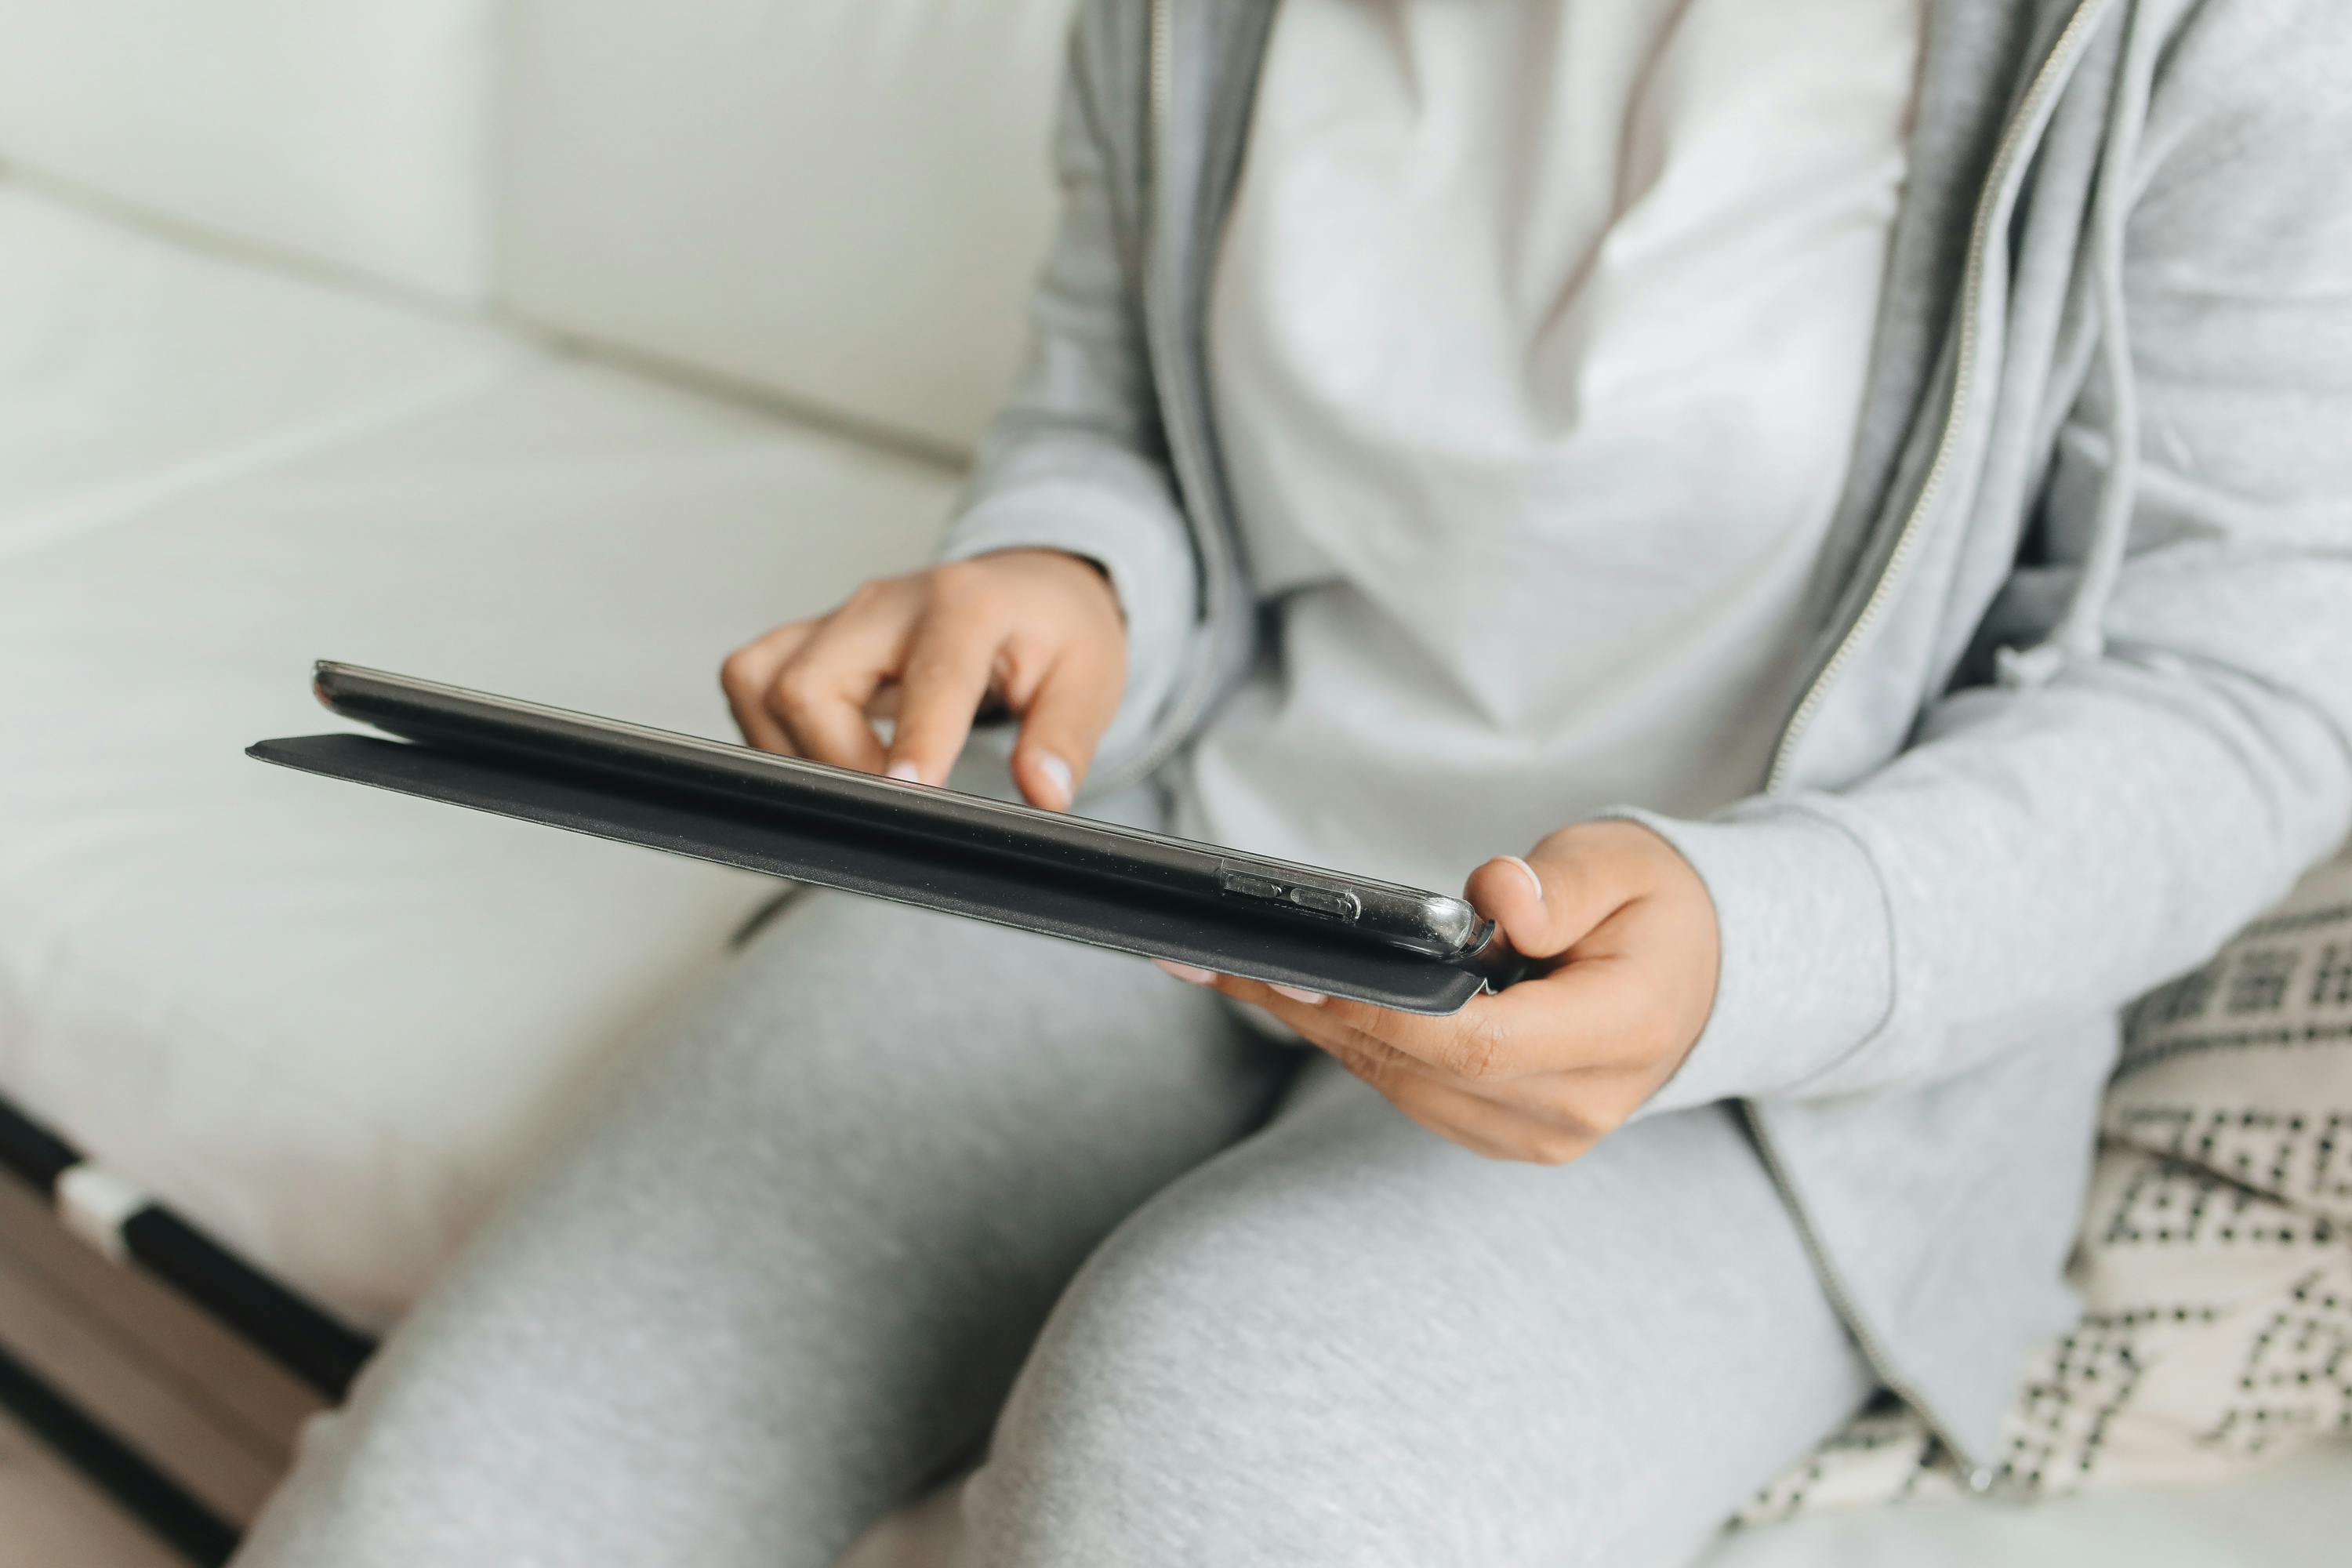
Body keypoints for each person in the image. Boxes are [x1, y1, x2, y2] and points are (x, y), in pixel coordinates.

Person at [234, 1, 2352, 1564]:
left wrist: (1759, 950)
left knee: (1198, 1461)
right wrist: (1065, 586)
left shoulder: (2205, 44)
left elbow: (2239, 691)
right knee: (441, 1519)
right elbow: (1111, 403)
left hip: (1764, 1056)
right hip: (1170, 854)